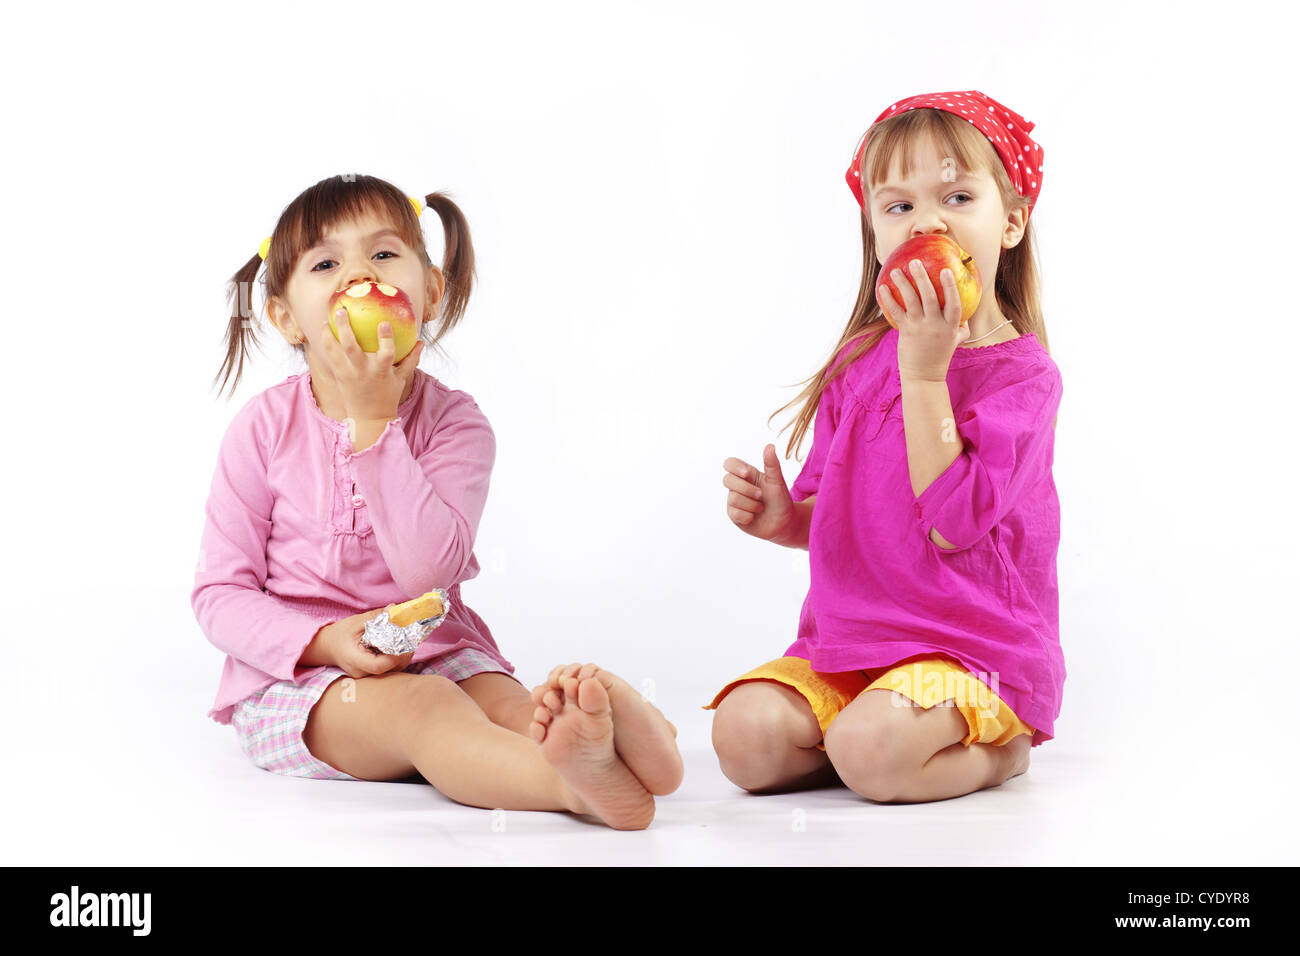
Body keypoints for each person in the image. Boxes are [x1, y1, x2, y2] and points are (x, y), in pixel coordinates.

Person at [193, 174, 681, 830]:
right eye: (327, 263)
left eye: (384, 255)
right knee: (426, 711)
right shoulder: (260, 430)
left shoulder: (457, 424)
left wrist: (373, 425)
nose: (359, 275)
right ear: (285, 316)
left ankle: (624, 746)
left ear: (430, 292)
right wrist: (326, 641)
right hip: (299, 678)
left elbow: (429, 573)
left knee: (511, 706)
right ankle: (570, 787)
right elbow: (220, 594)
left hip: (438, 647)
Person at [708, 90, 1064, 804]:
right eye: (898, 206)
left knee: (872, 750)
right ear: (874, 232)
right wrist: (786, 521)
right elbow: (841, 520)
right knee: (744, 739)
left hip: (968, 653)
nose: (927, 220)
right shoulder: (861, 359)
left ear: (1014, 221)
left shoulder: (1024, 381)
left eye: (957, 196)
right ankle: (866, 741)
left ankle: (1004, 750)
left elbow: (949, 522)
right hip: (852, 646)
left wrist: (926, 371)